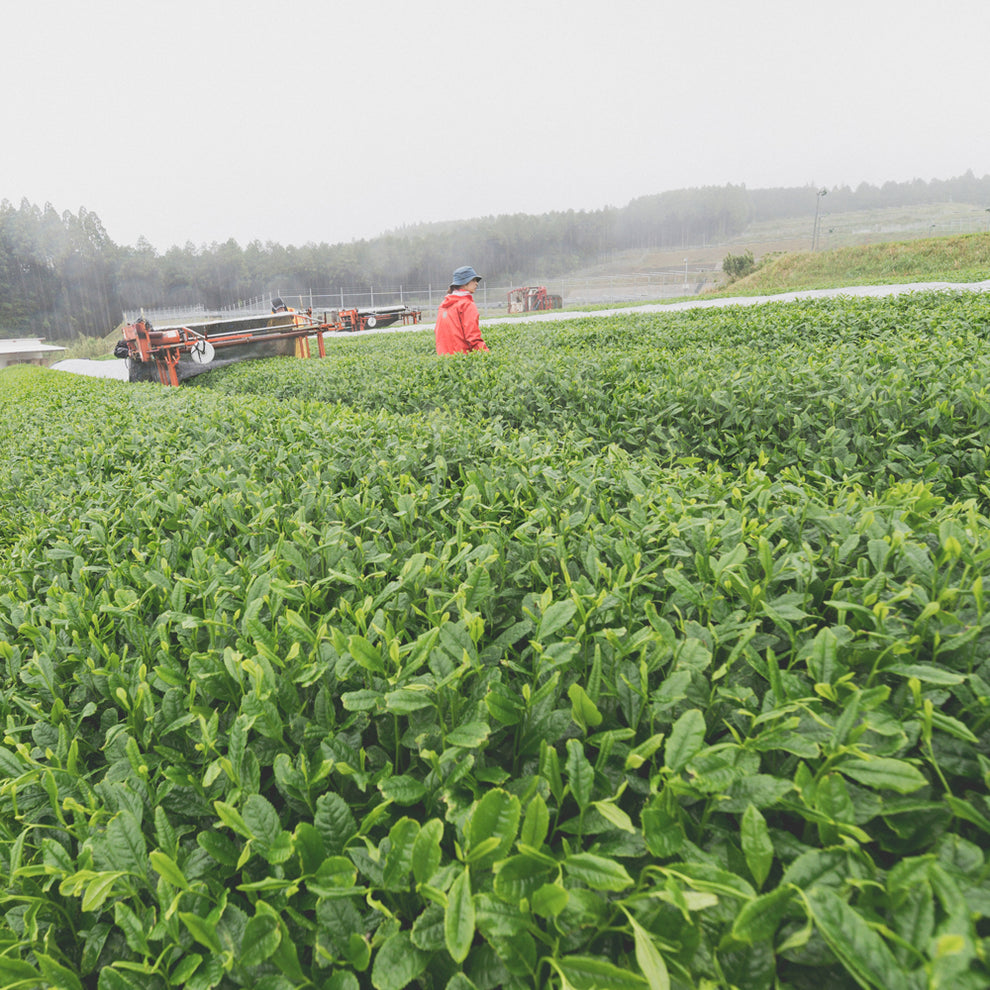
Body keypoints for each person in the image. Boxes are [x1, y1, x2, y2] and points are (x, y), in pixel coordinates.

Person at [435, 266, 489, 354]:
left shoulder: (443, 305)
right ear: (465, 282)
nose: (476, 284)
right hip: (461, 360)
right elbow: (473, 337)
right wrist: (487, 356)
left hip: (444, 360)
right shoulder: (466, 304)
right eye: (474, 280)